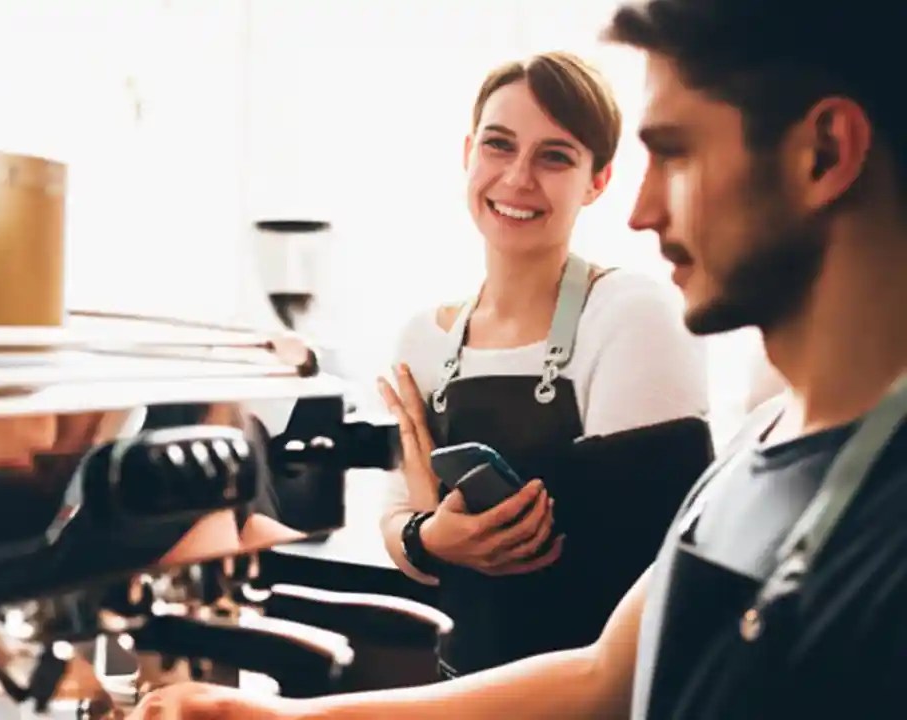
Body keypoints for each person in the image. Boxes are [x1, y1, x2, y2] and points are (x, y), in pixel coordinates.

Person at [125, 0, 907, 716]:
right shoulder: (757, 448)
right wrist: (276, 716)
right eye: (498, 146)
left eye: (676, 155)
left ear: (822, 153)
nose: (642, 212)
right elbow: (602, 677)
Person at [377, 51, 708, 677]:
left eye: (554, 156)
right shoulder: (422, 338)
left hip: (599, 695)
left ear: (597, 181)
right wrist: (432, 537)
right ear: (468, 152)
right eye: (498, 145)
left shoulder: (632, 315)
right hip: (460, 689)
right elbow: (399, 521)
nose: (517, 177)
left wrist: (441, 523)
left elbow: (643, 557)